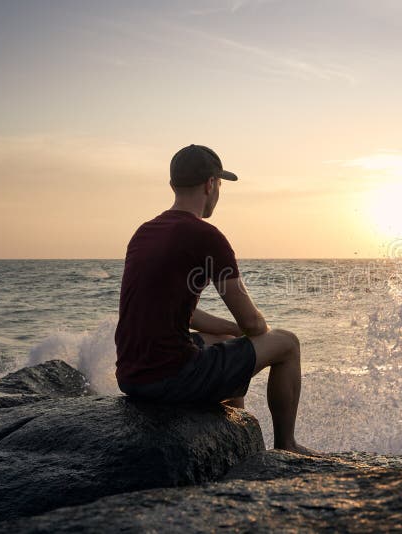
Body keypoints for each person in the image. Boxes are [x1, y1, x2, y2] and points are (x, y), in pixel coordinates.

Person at [114, 144, 314, 455]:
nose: (218, 191)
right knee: (288, 344)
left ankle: (237, 431)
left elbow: (188, 316)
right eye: (219, 184)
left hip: (131, 377)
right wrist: (259, 334)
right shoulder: (206, 236)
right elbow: (252, 322)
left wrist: (233, 333)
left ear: (173, 185)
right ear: (211, 184)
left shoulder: (145, 232)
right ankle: (286, 446)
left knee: (221, 339)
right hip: (170, 378)